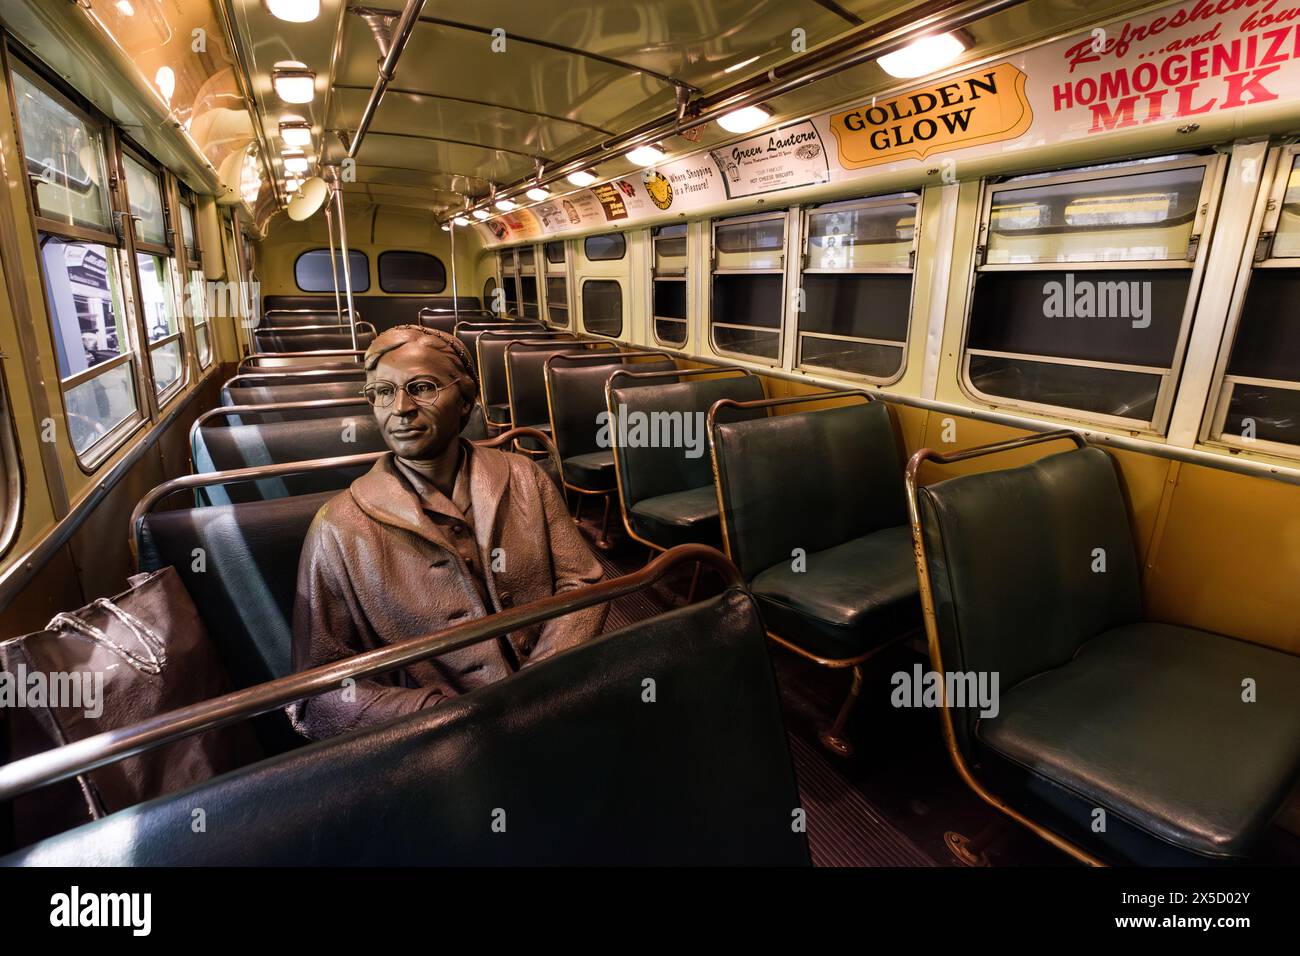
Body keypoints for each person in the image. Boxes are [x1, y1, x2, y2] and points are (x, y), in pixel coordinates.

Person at [290, 325, 607, 740]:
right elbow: (316, 695)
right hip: (439, 740)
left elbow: (582, 582)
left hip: (556, 699)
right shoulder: (338, 527)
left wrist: (541, 678)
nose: (400, 407)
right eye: (382, 392)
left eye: (422, 387)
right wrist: (435, 713)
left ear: (466, 401)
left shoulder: (525, 477)